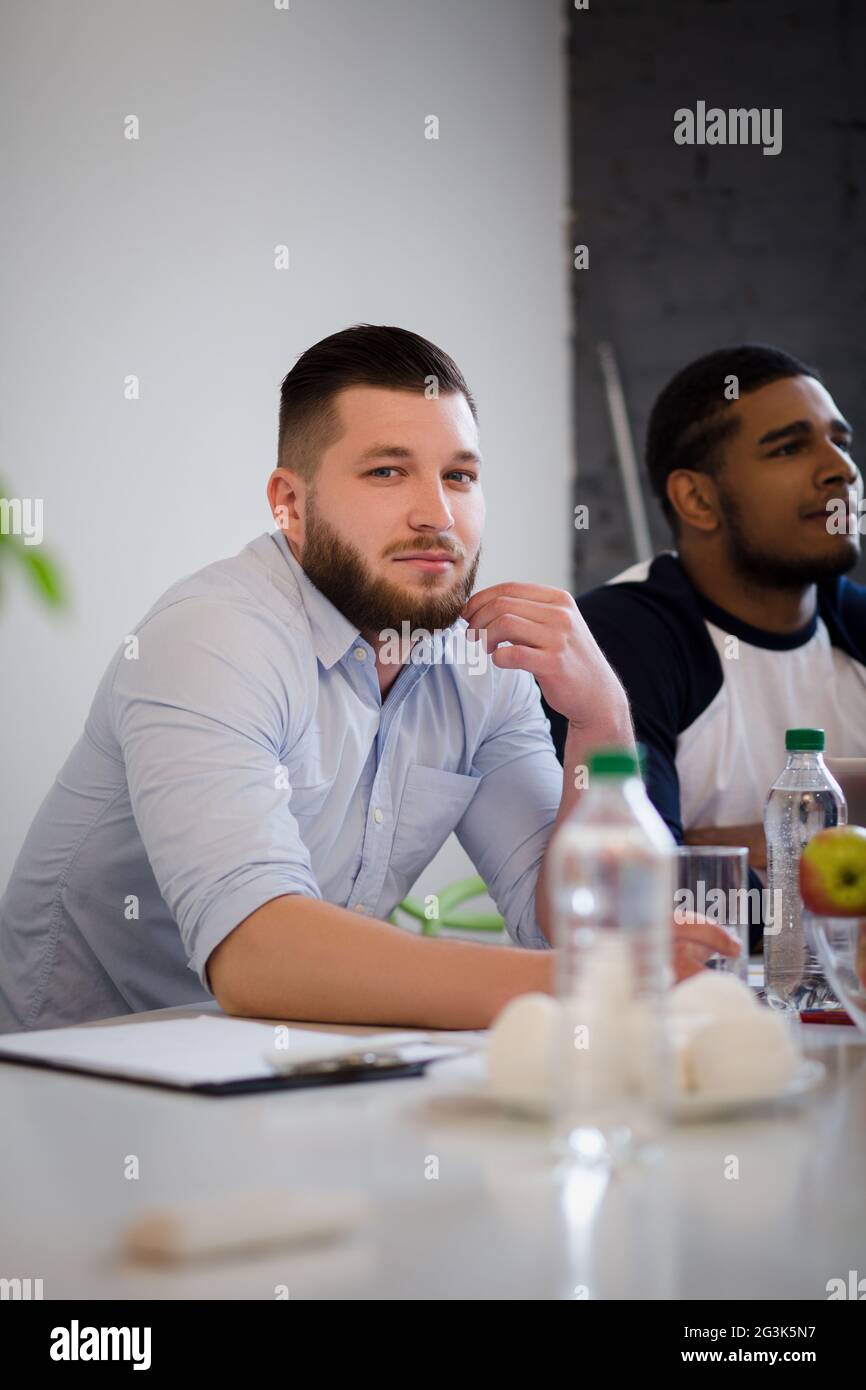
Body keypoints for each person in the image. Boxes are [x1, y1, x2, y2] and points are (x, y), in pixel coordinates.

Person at [0, 325, 734, 1033]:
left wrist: (602, 717)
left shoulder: (483, 664)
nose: (437, 515)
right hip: (76, 1073)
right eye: (387, 471)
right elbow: (258, 955)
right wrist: (585, 983)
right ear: (289, 502)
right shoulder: (211, 637)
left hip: (287, 1064)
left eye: (460, 476)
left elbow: (564, 919)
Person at [543, 345, 866, 945]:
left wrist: (716, 848)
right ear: (696, 499)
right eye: (791, 447)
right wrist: (832, 857)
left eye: (840, 442)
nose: (840, 469)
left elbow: (684, 871)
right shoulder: (618, 637)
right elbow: (637, 892)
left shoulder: (855, 624)